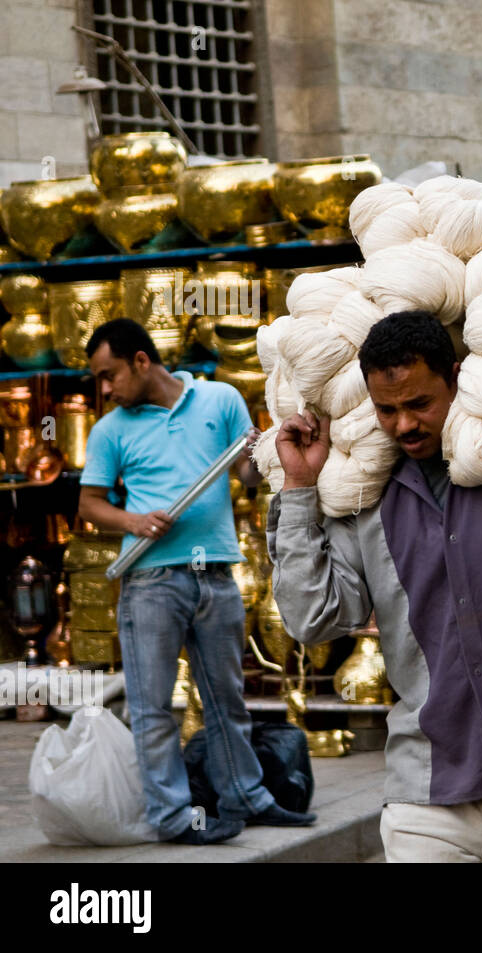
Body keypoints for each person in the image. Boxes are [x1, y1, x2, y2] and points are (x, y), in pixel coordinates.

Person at [267, 310, 482, 863]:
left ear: (456, 379)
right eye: (386, 409)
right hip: (429, 786)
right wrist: (298, 490)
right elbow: (314, 620)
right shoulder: (362, 493)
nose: (403, 425)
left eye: (419, 404)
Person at [78, 318, 314, 845]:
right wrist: (135, 521)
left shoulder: (221, 399)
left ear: (142, 360)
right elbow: (89, 505)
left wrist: (255, 450)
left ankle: (246, 798)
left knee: (226, 699)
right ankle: (172, 816)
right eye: (100, 379)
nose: (106, 388)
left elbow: (248, 476)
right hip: (150, 579)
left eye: (109, 374)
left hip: (218, 575)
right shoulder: (110, 430)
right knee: (154, 706)